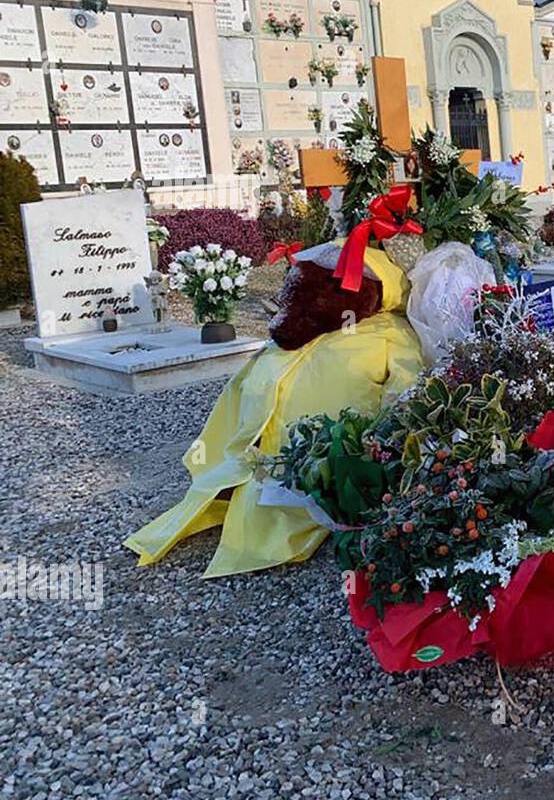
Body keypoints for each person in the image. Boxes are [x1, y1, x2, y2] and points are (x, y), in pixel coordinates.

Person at [126, 243, 424, 577]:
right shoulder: (291, 340)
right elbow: (241, 389)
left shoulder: (389, 336)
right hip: (264, 458)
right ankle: (244, 480)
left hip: (336, 468)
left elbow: (408, 392)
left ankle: (306, 496)